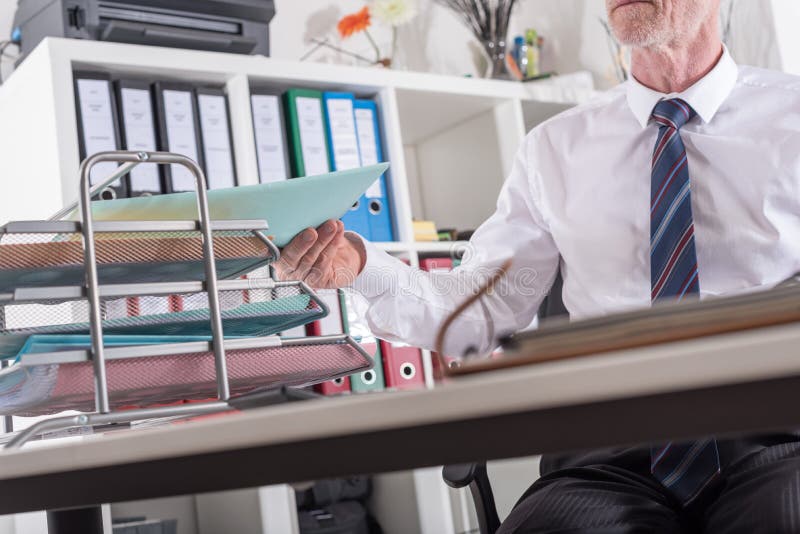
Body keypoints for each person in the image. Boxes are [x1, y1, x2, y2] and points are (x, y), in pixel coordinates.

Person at [277, 0, 800, 531]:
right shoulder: (556, 148)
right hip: (612, 457)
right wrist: (362, 266)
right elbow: (490, 303)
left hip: (778, 438)